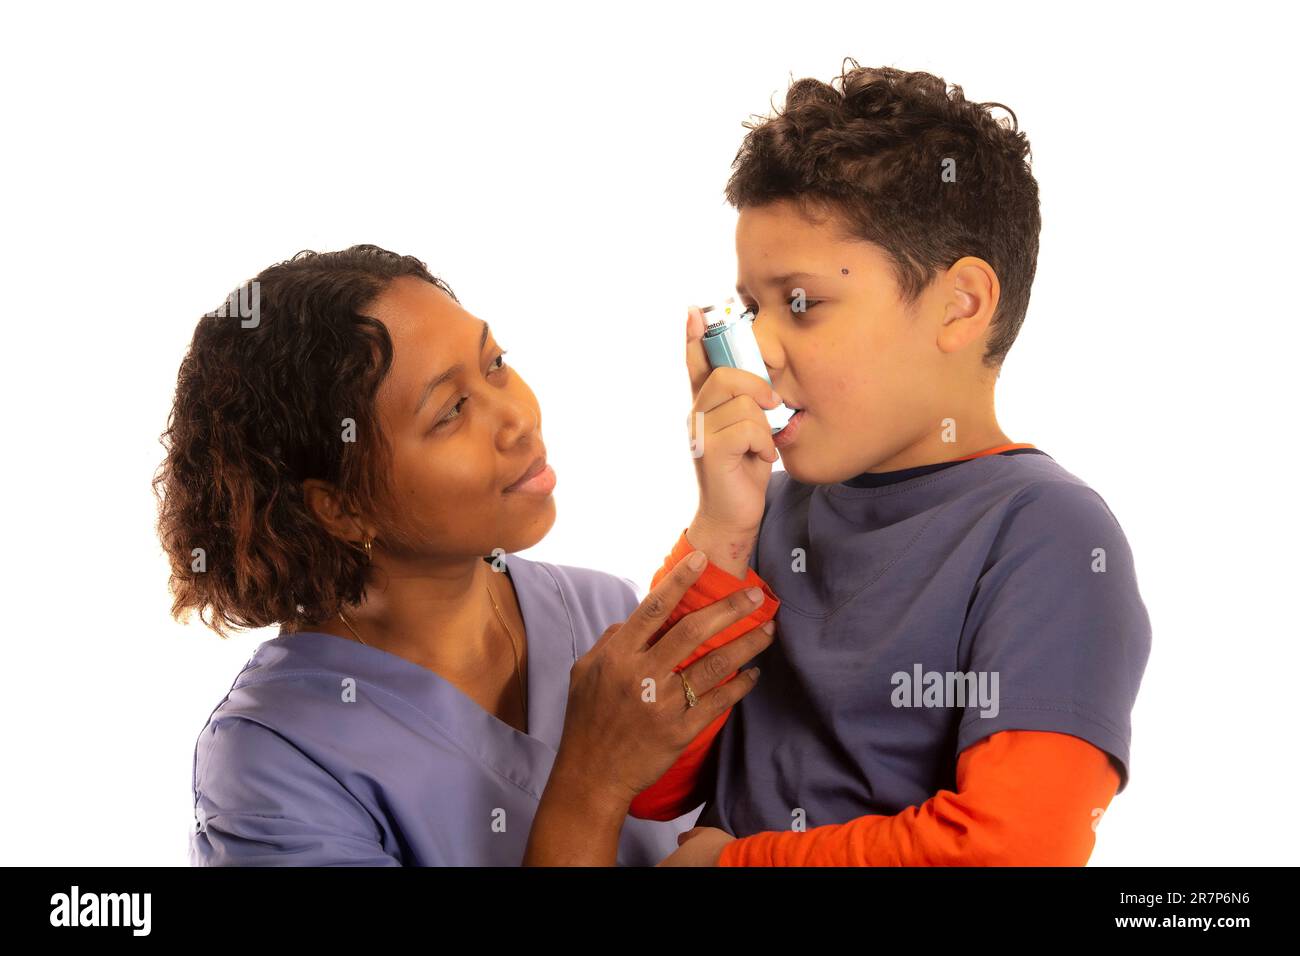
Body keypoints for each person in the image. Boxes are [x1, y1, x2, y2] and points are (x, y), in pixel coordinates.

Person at [648, 62, 1153, 866]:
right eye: (750, 309)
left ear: (959, 306)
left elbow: (1014, 847)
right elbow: (646, 781)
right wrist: (720, 529)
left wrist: (728, 864)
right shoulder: (766, 514)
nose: (761, 350)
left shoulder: (1046, 535)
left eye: (802, 304)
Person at [156, 245, 779, 866]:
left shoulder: (607, 613)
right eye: (451, 411)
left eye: (496, 364)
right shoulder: (273, 764)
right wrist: (594, 782)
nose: (517, 419)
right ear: (340, 507)